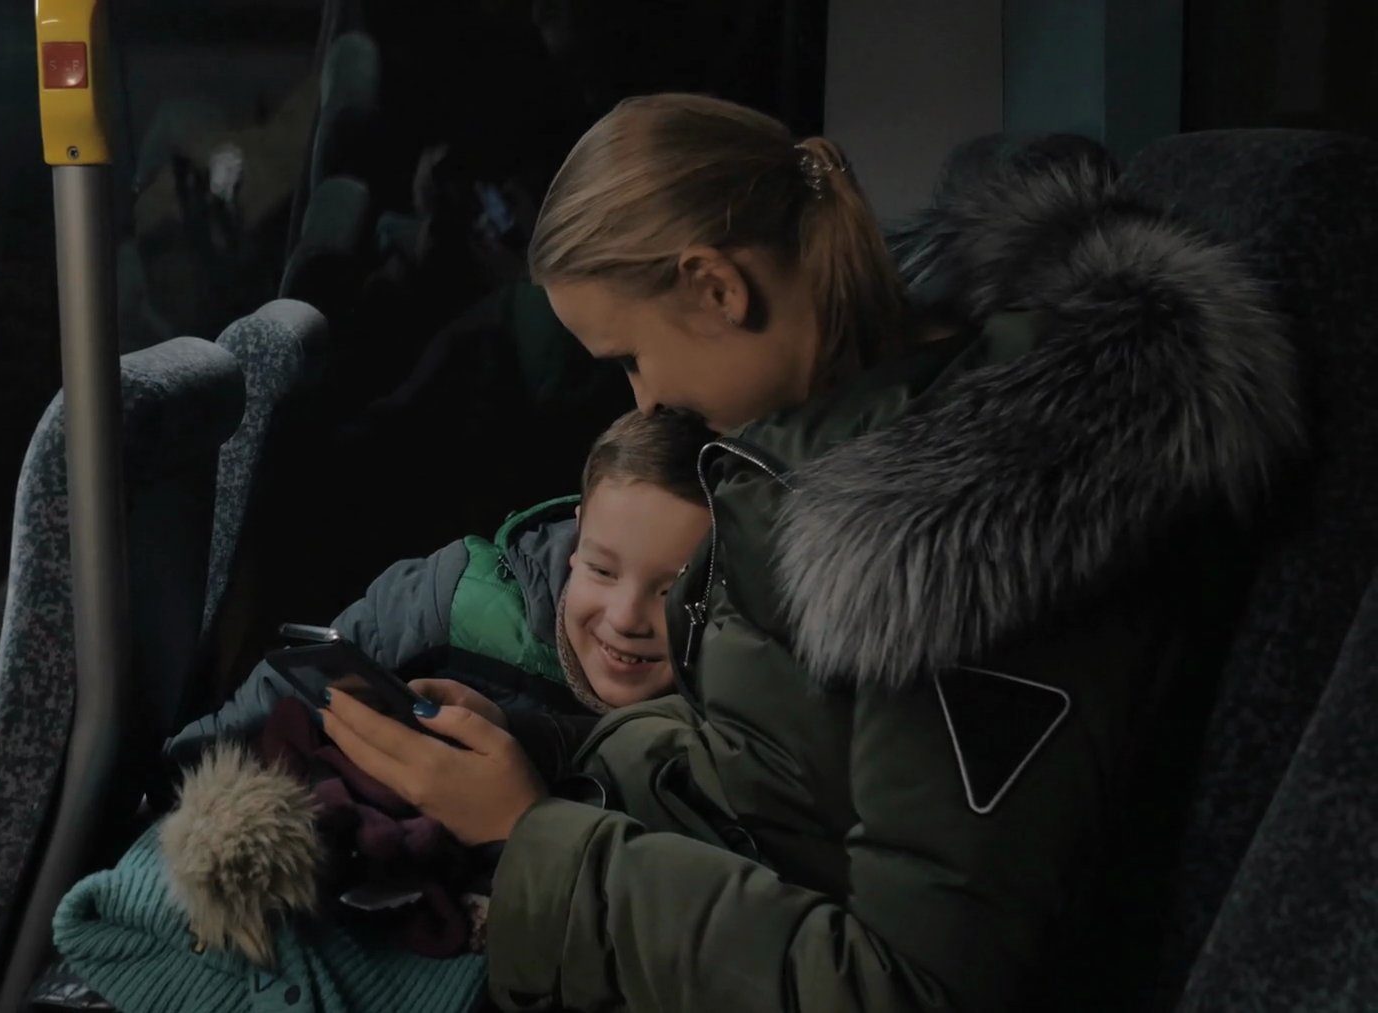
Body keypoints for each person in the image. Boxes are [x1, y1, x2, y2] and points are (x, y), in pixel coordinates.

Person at [312, 94, 1306, 1012]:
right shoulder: (809, 449)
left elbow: (905, 986)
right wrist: (540, 749)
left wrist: (535, 840)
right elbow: (772, 767)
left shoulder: (943, 541)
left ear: (715, 286)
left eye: (631, 358)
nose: (642, 404)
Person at [165, 406, 716, 767]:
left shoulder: (733, 689)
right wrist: (179, 768)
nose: (625, 617)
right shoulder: (450, 600)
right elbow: (281, 694)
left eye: (671, 591)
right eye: (601, 570)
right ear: (577, 536)